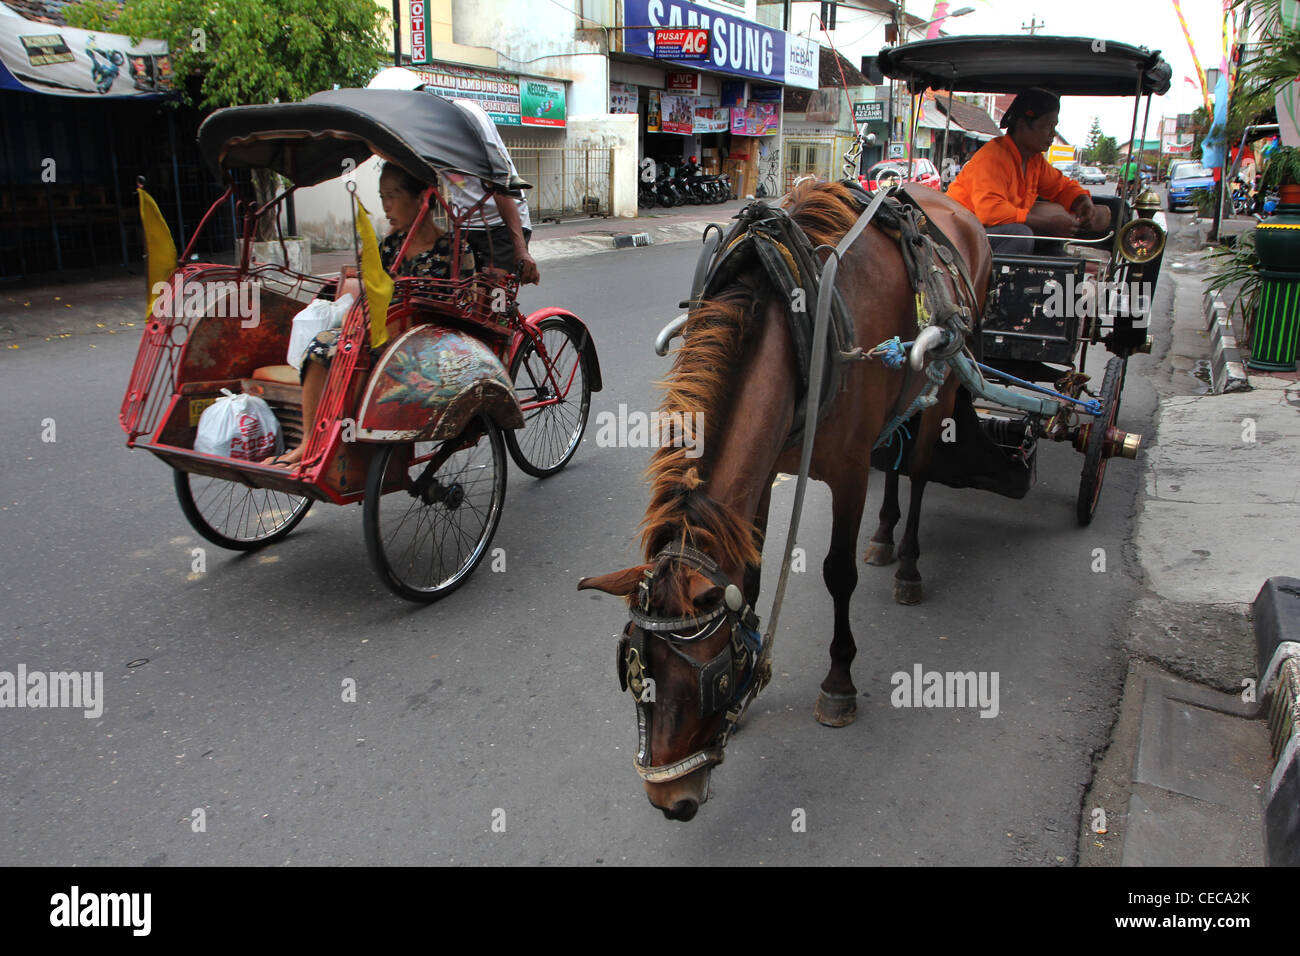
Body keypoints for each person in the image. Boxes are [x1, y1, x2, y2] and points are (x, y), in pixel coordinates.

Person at [263, 162, 473, 467]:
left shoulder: (454, 249)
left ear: (422, 199)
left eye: (393, 196)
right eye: (381, 196)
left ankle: (342, 442)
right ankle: (309, 443)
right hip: (384, 337)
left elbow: (463, 309)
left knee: (355, 355)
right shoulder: (388, 246)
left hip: (429, 349)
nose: (385, 205)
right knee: (324, 345)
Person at [946, 88, 1111, 254]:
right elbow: (990, 212)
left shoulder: (1034, 161)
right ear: (1022, 125)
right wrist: (1046, 223)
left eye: (1054, 126)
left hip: (986, 231)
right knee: (1020, 234)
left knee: (1052, 238)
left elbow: (1060, 186)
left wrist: (1081, 200)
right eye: (1047, 126)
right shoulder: (994, 157)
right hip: (960, 233)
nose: (1053, 134)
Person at [442, 97, 540, 285]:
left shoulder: (467, 115)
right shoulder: (417, 131)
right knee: (457, 300)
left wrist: (520, 250)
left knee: (491, 303)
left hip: (501, 224)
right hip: (466, 225)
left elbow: (499, 180)